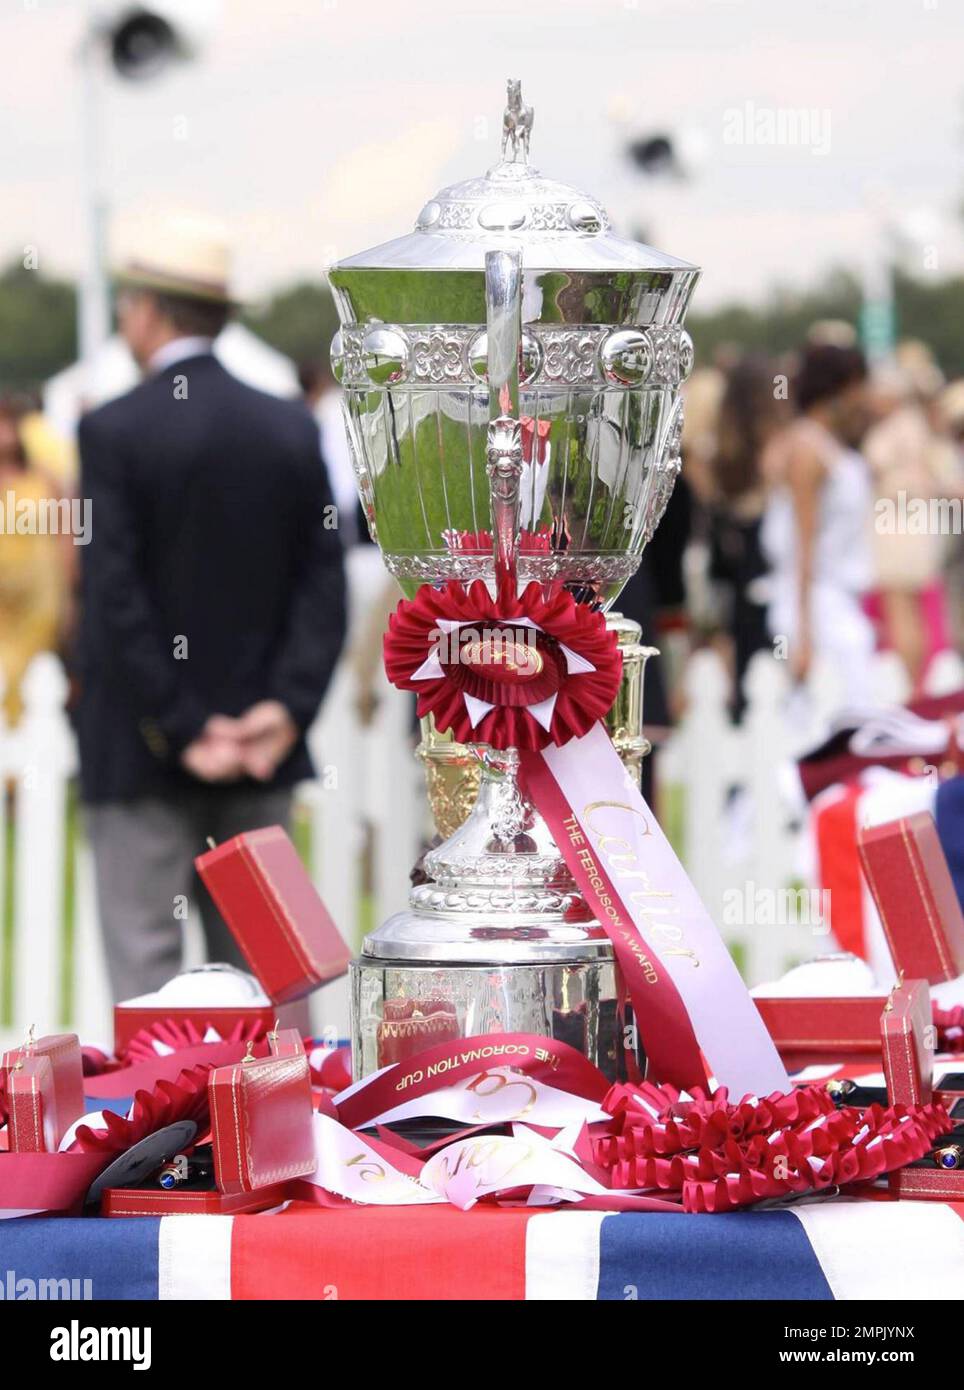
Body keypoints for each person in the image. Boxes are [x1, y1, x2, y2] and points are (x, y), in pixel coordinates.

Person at [76, 215, 347, 1000]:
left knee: (147, 997)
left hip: (142, 753)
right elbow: (322, 587)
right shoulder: (289, 426)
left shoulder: (112, 428)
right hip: (260, 752)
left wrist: (183, 724)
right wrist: (283, 711)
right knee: (276, 990)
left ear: (149, 311)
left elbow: (114, 598)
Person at [761, 340, 874, 709]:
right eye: (859, 386)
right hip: (815, 605)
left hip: (835, 599)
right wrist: (805, 636)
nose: (865, 397)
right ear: (838, 389)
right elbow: (801, 543)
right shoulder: (809, 448)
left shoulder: (825, 443)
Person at [0, 399, 72, 723]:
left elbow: (68, 530)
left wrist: (71, 582)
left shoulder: (43, 477)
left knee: (38, 680)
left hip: (39, 599)